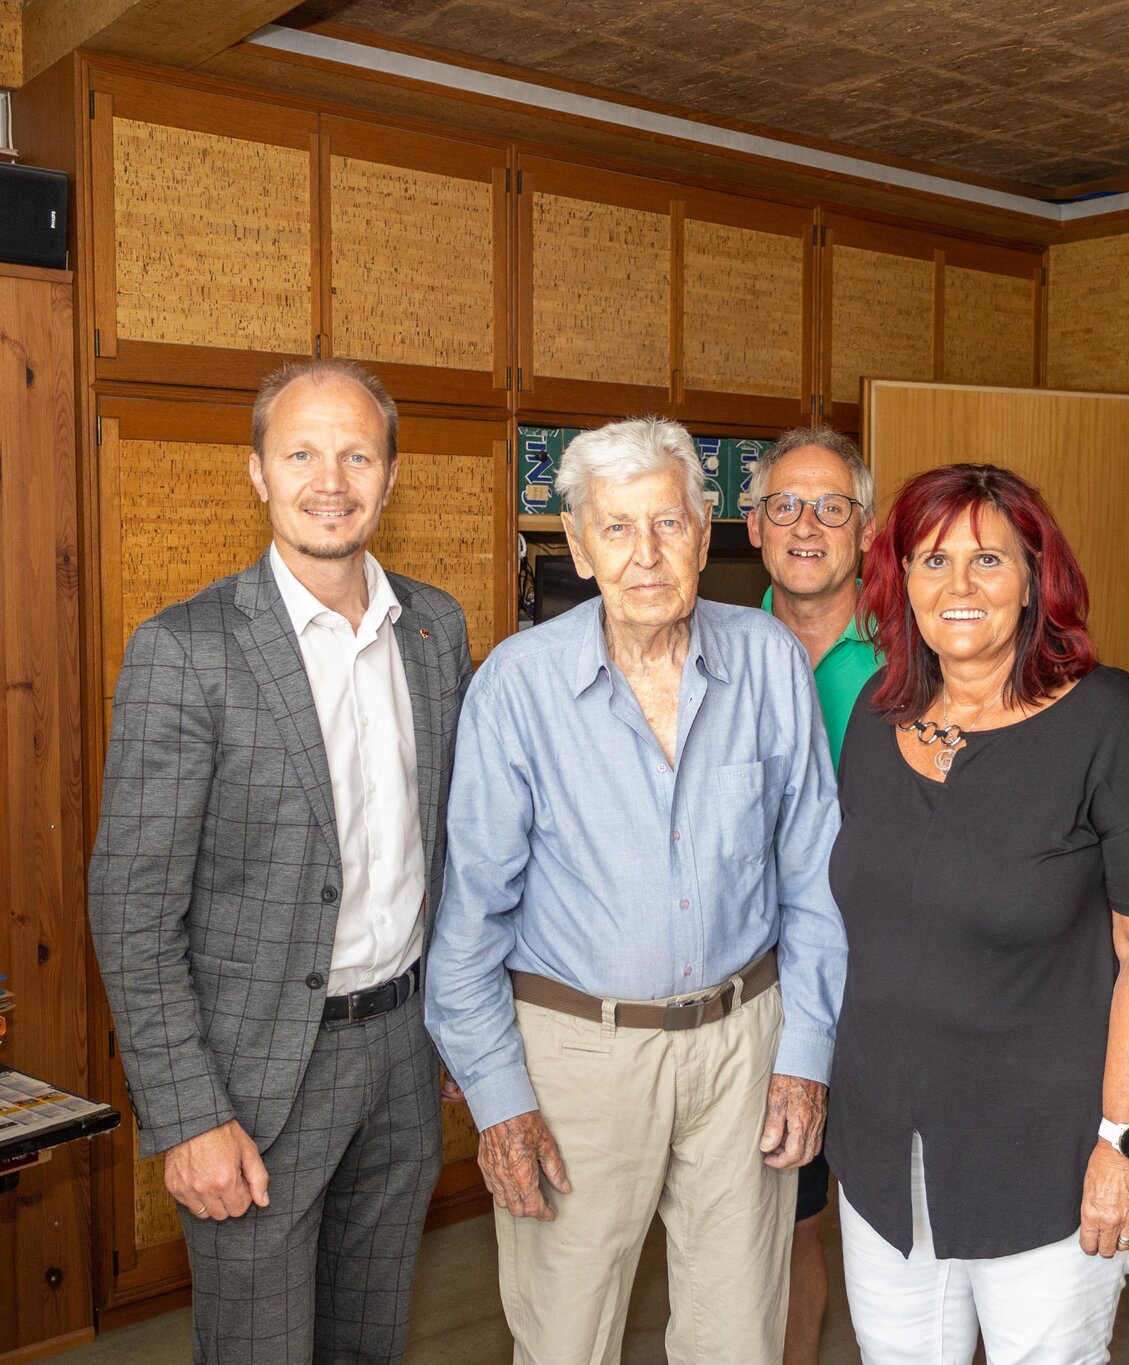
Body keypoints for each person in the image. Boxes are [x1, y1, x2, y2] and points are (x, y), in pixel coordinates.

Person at [426, 416, 848, 1365]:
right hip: (575, 1057)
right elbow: (469, 923)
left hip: (747, 1047)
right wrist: (499, 1102)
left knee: (738, 1335)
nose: (646, 555)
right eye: (616, 529)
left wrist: (806, 1053)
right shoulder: (515, 686)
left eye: (668, 523)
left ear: (706, 534)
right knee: (566, 1334)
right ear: (577, 545)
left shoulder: (770, 662)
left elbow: (815, 883)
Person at [87, 358, 471, 1365]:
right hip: (252, 1082)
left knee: (368, 1339)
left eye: (356, 454)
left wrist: (456, 1030)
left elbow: (452, 852)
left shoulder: (435, 631)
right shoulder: (187, 650)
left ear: (390, 476)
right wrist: (186, 1117)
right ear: (258, 472)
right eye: (300, 453)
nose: (329, 481)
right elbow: (132, 911)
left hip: (400, 1059)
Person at [826, 463, 1129, 1365]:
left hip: (1054, 1152)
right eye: (932, 559)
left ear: (1035, 580)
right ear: (900, 581)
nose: (959, 586)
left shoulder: (1109, 722)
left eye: (988, 559)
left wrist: (1124, 1145)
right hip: (888, 1148)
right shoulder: (876, 721)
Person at [744, 426, 879, 1365]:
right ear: (752, 526)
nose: (806, 525)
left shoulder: (921, 651)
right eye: (785, 505)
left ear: (864, 529)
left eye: (831, 506)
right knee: (785, 1222)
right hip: (764, 993)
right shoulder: (713, 649)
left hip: (893, 989)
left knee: (912, 1219)